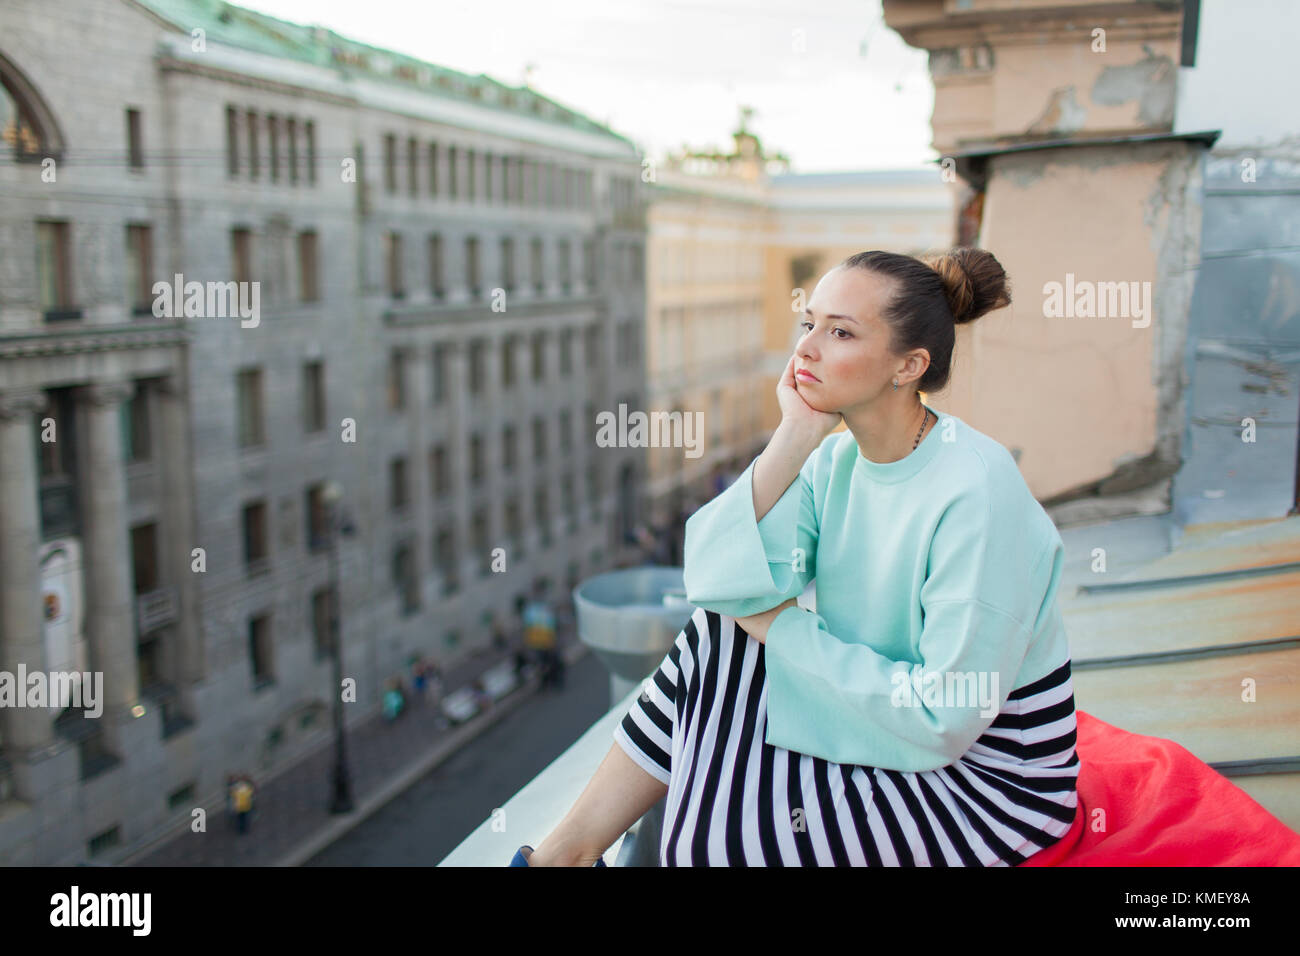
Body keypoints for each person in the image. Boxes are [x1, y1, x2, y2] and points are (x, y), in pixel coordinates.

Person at [514, 248, 1079, 865]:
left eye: (840, 332)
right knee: (719, 634)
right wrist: (796, 433)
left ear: (909, 365)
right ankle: (566, 852)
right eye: (809, 323)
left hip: (986, 783)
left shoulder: (975, 489)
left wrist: (778, 626)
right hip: (889, 726)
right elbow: (712, 583)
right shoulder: (835, 462)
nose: (806, 347)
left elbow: (945, 719)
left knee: (727, 835)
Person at [522, 593, 562, 690]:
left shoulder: (533, 611)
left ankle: (548, 681)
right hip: (543, 642)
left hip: (541, 642)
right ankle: (549, 681)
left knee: (542, 663)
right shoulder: (541, 610)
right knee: (544, 663)